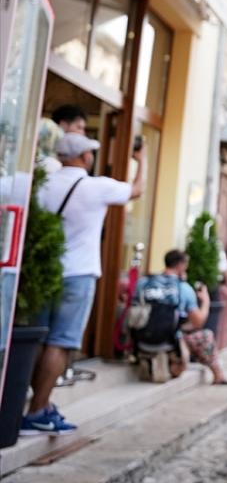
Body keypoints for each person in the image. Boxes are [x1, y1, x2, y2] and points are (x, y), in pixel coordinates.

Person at [22, 132, 145, 436]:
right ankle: (38, 409)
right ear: (85, 157)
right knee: (61, 342)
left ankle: (37, 405)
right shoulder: (95, 187)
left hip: (45, 271)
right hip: (78, 274)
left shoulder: (43, 183)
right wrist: (141, 160)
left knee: (38, 339)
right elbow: (137, 190)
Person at [133, 250, 227, 384]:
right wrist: (205, 301)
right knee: (205, 336)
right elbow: (198, 322)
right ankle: (218, 375)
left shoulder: (144, 282)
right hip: (168, 342)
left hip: (140, 341)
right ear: (181, 265)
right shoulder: (183, 288)